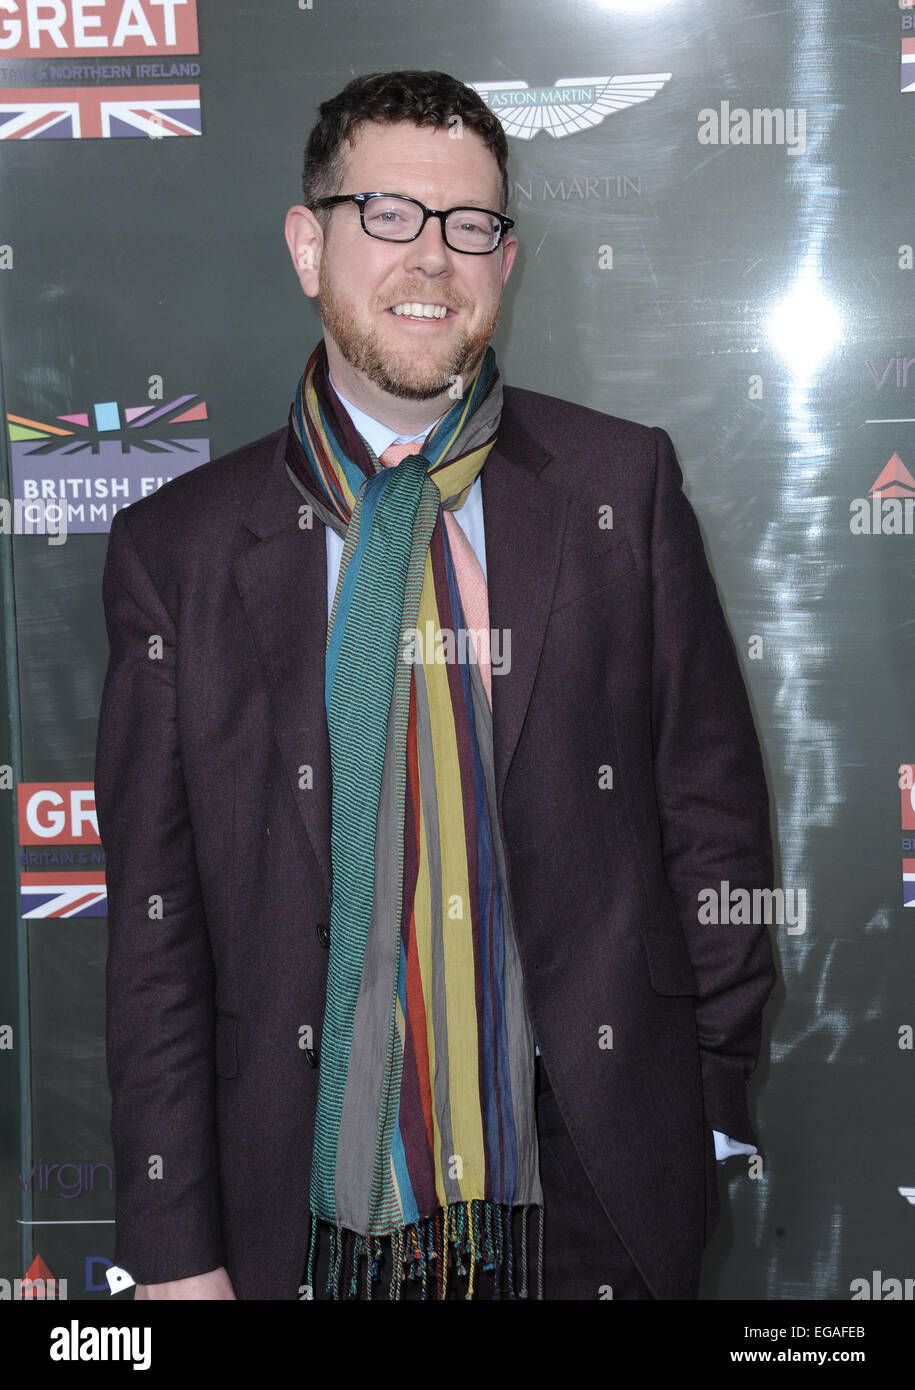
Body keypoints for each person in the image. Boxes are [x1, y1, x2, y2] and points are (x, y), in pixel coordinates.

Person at [94, 69, 776, 1301]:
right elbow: (154, 930)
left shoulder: (626, 492)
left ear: (506, 258)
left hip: (594, 1204)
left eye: (472, 225)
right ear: (310, 245)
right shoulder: (176, 552)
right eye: (389, 215)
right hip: (298, 1210)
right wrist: (172, 1248)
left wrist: (712, 1106)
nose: (433, 259)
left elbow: (714, 818)